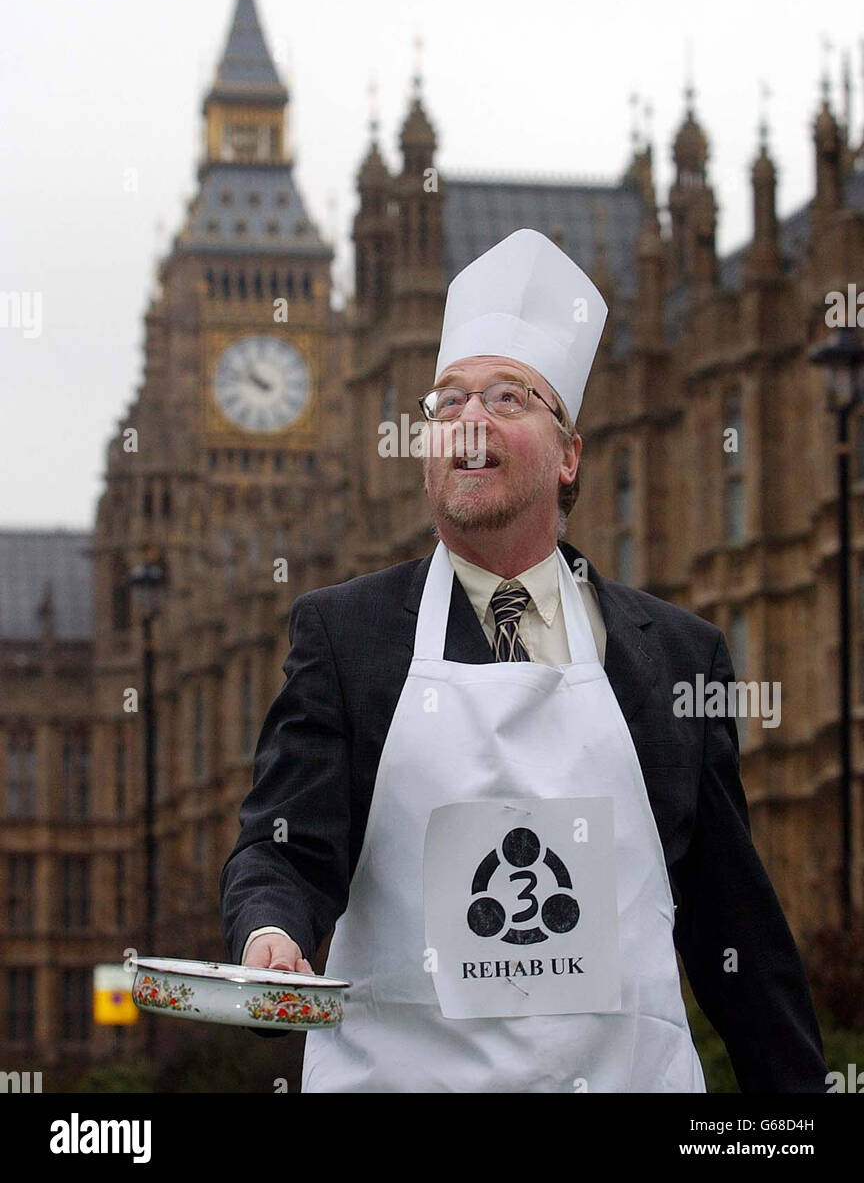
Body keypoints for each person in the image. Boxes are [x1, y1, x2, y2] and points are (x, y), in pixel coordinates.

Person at [219, 228, 828, 1093]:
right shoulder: (346, 637)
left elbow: (738, 936)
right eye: (449, 400)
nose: (469, 420)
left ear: (570, 452)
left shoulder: (677, 657)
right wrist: (269, 931)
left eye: (508, 398)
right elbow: (283, 847)